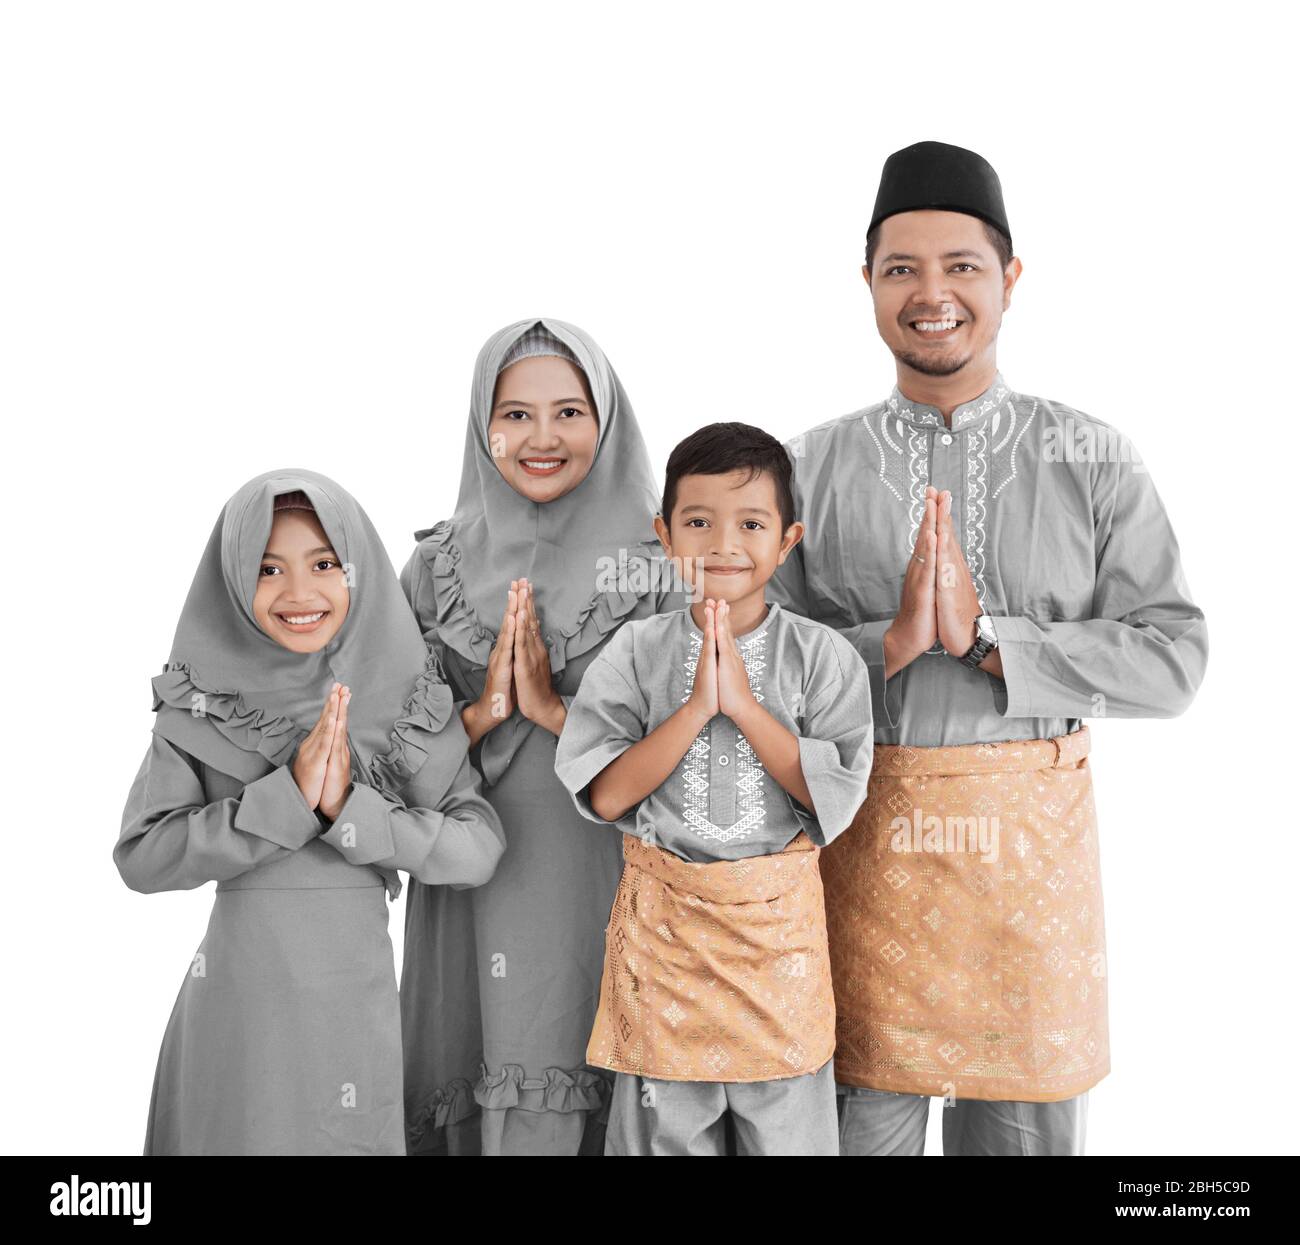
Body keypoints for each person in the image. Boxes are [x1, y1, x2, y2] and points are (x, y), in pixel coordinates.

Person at [768, 140, 1209, 1155]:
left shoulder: (1091, 455)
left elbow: (1172, 659)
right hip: (861, 863)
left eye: (961, 266)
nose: (932, 294)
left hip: (1029, 884)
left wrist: (991, 646)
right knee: (851, 1130)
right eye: (901, 269)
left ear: (1009, 280)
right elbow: (750, 671)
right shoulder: (804, 469)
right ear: (868, 285)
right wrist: (887, 642)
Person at [115, 469, 504, 1156]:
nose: (300, 592)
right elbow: (142, 854)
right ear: (234, 580)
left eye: (324, 563)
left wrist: (353, 814)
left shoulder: (405, 702)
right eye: (268, 569)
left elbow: (477, 847)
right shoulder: (204, 702)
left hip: (354, 1022)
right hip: (236, 1020)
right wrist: (282, 803)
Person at [400, 318, 685, 1155]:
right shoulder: (434, 569)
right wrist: (486, 712)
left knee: (598, 1060)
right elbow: (388, 759)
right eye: (516, 414)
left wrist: (562, 717)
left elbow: (698, 756)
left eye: (569, 411)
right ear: (482, 425)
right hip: (471, 885)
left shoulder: (662, 564)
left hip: (608, 872)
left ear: (608, 421)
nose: (543, 437)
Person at [555, 423, 874, 1155]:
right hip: (665, 946)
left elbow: (835, 800)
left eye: (751, 522)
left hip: (778, 948)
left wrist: (745, 708)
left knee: (790, 1132)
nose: (723, 543)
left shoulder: (822, 657)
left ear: (789, 539)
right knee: (661, 1129)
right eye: (698, 521)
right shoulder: (635, 651)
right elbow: (604, 795)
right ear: (665, 534)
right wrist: (697, 707)